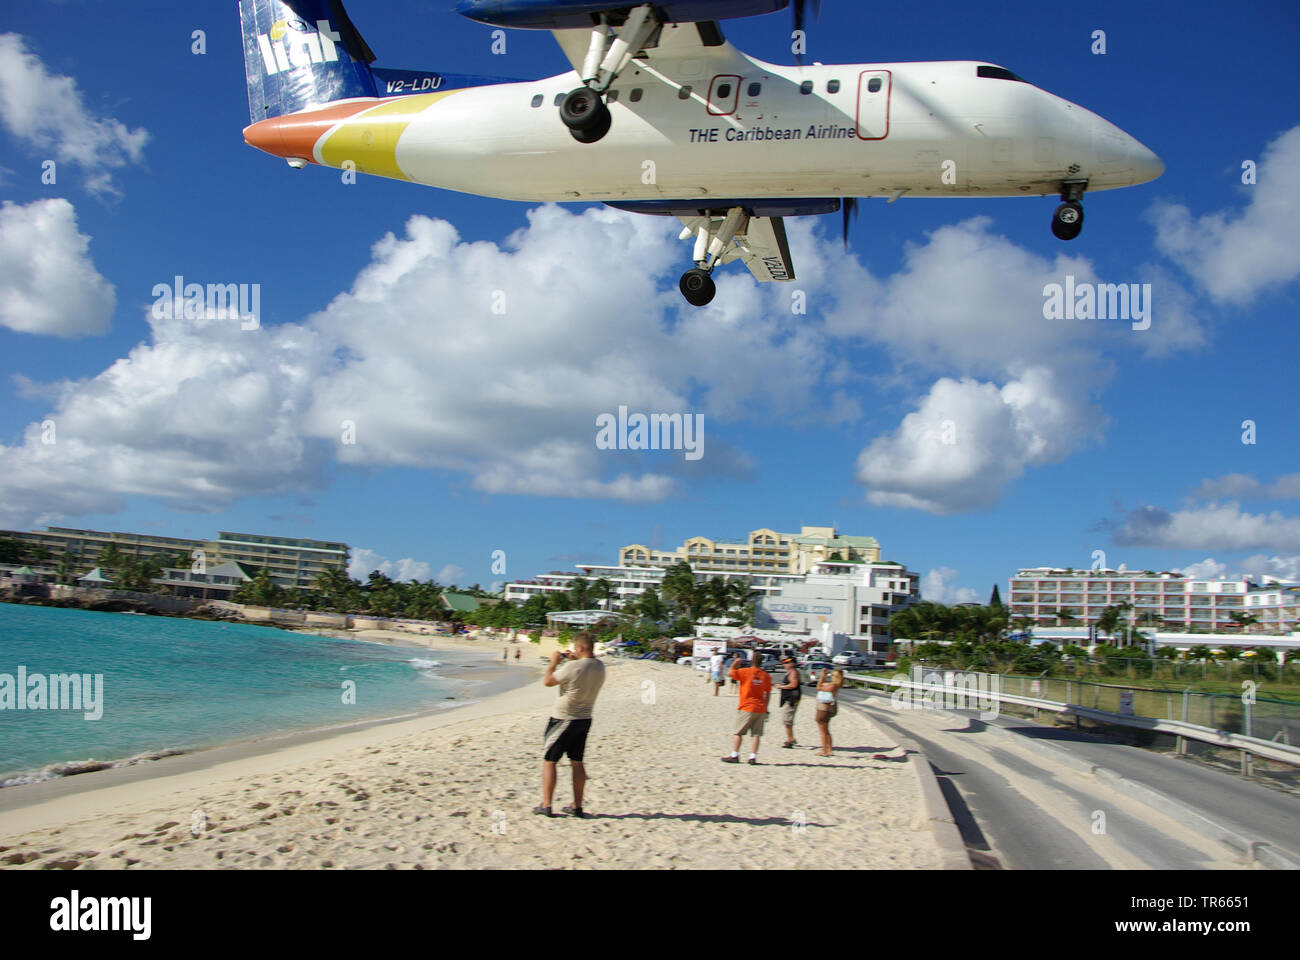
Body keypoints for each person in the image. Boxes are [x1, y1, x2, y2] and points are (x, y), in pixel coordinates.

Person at [535, 633, 606, 818]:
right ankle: (577, 805)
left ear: (580, 648)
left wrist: (553, 663)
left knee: (550, 760)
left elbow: (548, 681)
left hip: (564, 718)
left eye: (576, 648)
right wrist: (573, 659)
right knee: (577, 761)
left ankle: (546, 804)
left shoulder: (573, 667)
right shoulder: (599, 666)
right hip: (584, 718)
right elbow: (584, 666)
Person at [722, 650, 773, 765]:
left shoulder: (745, 672)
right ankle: (752, 757)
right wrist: (766, 707)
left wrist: (735, 662)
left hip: (747, 706)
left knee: (738, 732)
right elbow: (768, 693)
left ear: (751, 661)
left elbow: (730, 673)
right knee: (756, 734)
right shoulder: (765, 675)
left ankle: (735, 754)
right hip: (760, 707)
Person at [814, 668, 843, 757]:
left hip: (824, 708)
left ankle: (824, 750)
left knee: (823, 730)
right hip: (827, 708)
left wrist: (823, 677)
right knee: (826, 730)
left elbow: (819, 687)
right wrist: (823, 676)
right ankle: (829, 749)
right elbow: (820, 686)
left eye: (833, 675)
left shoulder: (833, 686)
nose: (831, 677)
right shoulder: (835, 685)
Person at [777, 656, 802, 748]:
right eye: (784, 663)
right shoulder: (791, 672)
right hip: (790, 699)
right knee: (787, 719)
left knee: (787, 720)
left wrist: (782, 687)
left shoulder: (793, 673)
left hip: (791, 699)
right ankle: (791, 738)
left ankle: (790, 739)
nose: (785, 665)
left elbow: (794, 684)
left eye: (787, 663)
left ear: (793, 663)